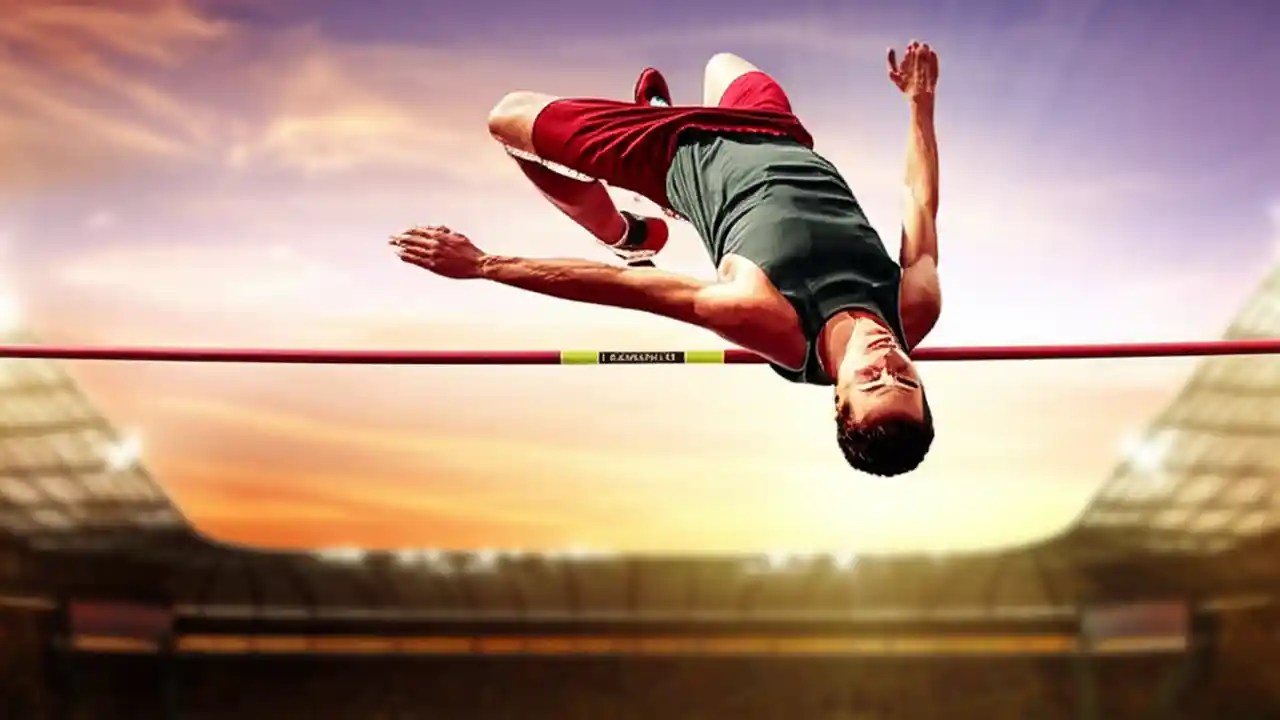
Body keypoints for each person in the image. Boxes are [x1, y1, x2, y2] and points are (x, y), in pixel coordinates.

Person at [391, 42, 942, 476]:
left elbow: (620, 288)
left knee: (507, 118)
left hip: (673, 155)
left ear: (839, 399)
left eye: (873, 379)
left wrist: (485, 264)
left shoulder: (768, 320)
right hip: (775, 131)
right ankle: (656, 150)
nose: (888, 359)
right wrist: (920, 106)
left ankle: (625, 232)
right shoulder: (914, 306)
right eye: (906, 377)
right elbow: (918, 201)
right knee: (722, 64)